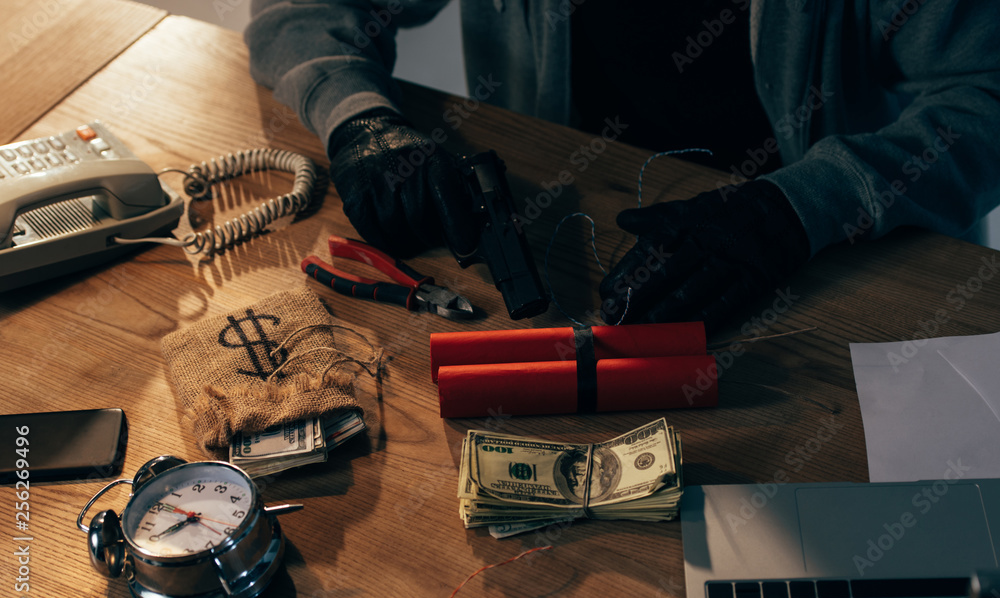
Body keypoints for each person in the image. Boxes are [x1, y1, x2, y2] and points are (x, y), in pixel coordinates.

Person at [245, 0, 1000, 333]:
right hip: (573, 232)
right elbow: (299, 8)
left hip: (846, 259)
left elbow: (985, 93)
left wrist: (800, 207)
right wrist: (360, 123)